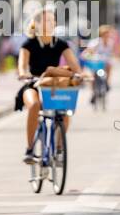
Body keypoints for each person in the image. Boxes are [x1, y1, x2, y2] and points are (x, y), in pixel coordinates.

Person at [16, 10, 82, 162]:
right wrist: (23, 73)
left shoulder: (60, 44)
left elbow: (75, 65)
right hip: (33, 83)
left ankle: (59, 149)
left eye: (53, 21)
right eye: (47, 21)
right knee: (34, 105)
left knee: (65, 112)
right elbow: (22, 64)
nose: (51, 24)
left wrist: (79, 74)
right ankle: (30, 149)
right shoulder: (29, 44)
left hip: (52, 84)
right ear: (37, 24)